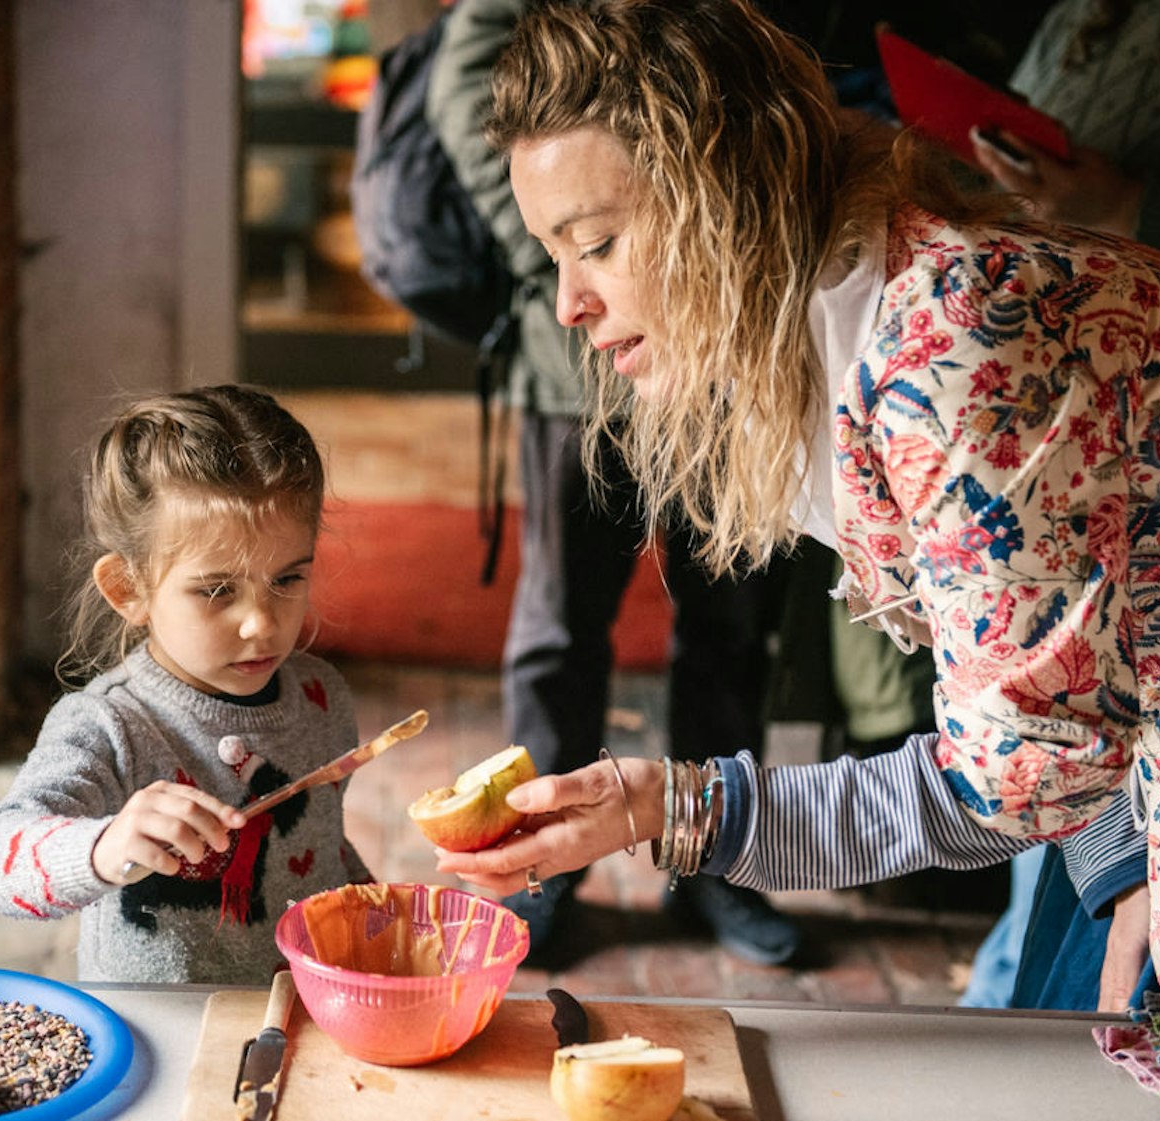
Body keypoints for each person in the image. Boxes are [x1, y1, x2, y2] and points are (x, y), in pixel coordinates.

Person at [432, 0, 1160, 1003]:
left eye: (598, 242)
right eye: (554, 254)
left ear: (720, 197)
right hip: (1153, 761)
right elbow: (1051, 709)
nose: (569, 302)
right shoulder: (836, 325)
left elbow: (1010, 775)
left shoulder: (948, 346)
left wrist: (674, 805)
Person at [427, 0, 798, 966]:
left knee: (729, 622)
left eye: (574, 253)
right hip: (573, 382)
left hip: (721, 351)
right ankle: (541, 864)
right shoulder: (568, 282)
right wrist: (566, 244)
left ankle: (716, 858)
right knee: (560, 622)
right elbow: (468, 81)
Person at [956, 0, 1160, 1008]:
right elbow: (1017, 768)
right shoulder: (1093, 13)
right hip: (1093, 471)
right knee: (1068, 916)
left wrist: (1127, 201)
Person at [0, 384, 372, 983]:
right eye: (217, 591)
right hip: (160, 1039)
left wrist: (375, 912)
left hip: (298, 1016)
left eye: (287, 579)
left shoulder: (321, 697)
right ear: (128, 590)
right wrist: (106, 846)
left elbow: (315, 852)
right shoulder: (109, 724)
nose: (261, 623)